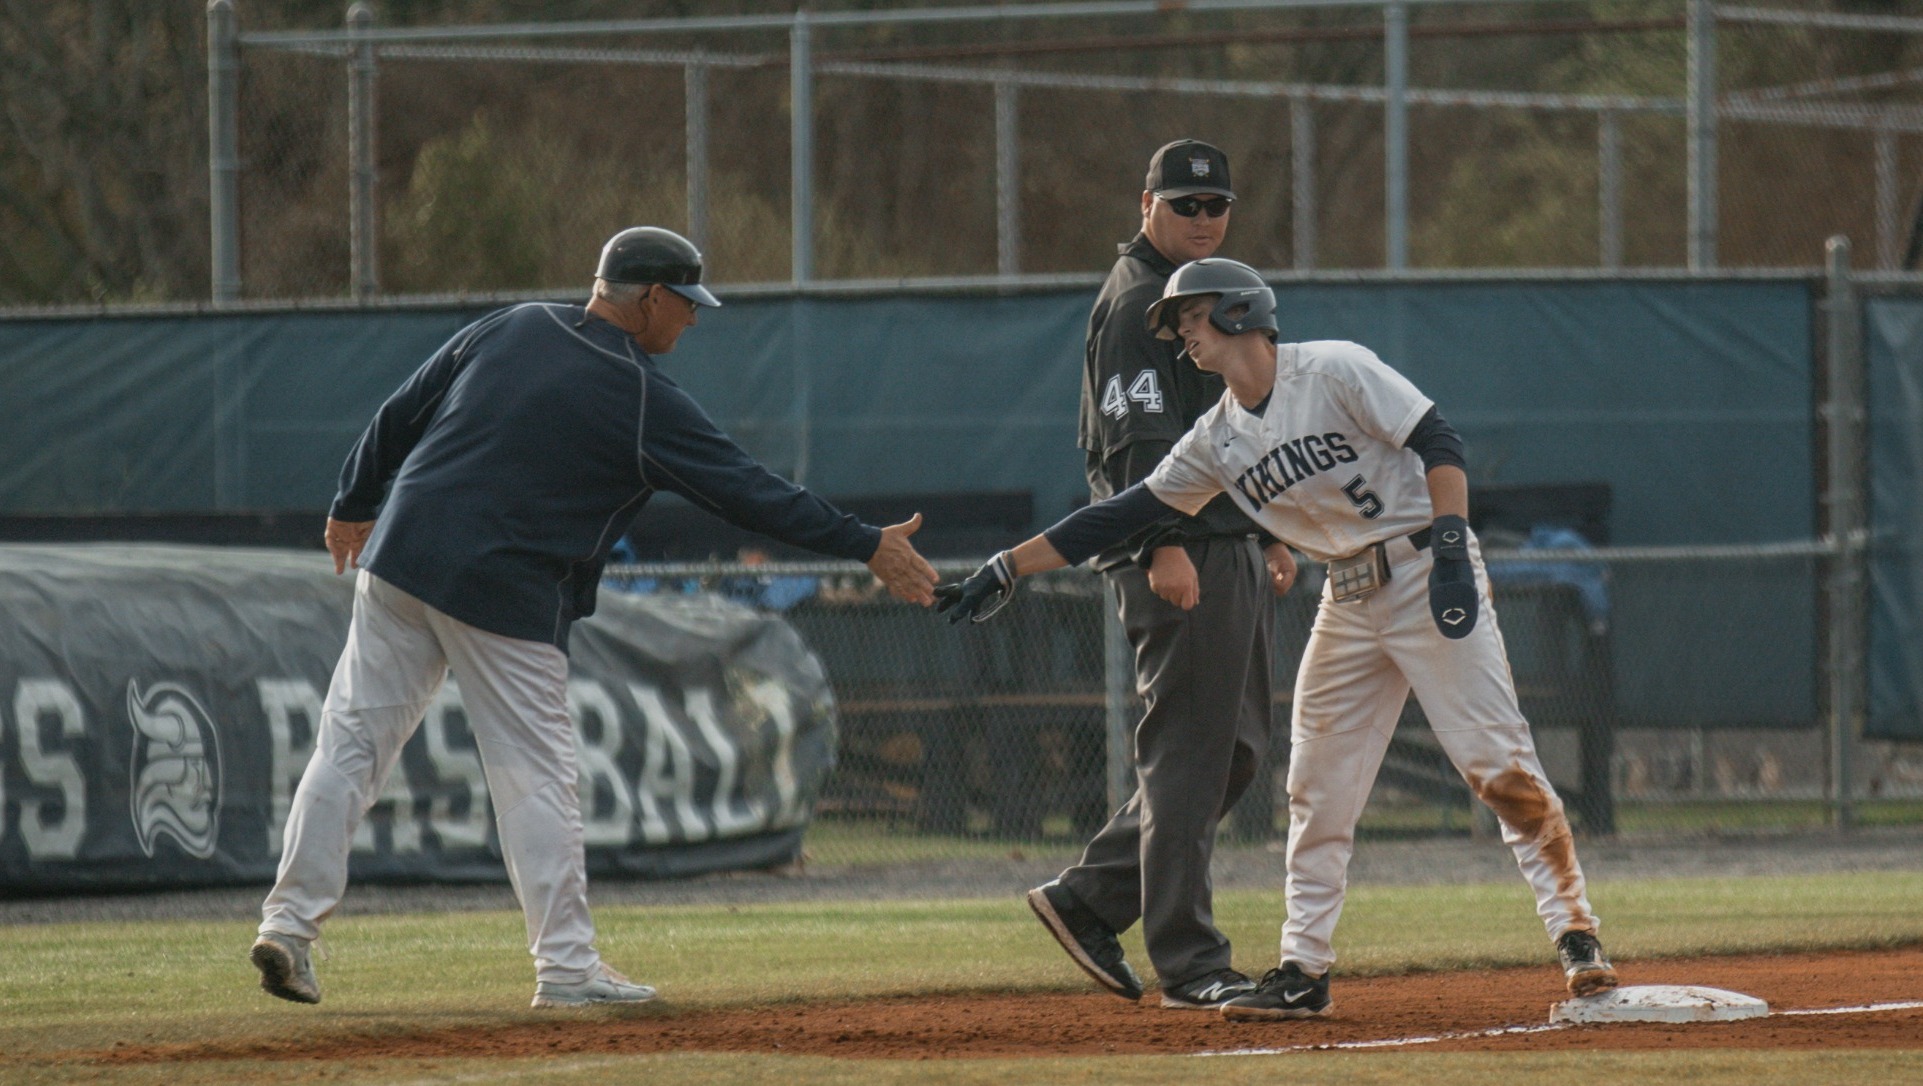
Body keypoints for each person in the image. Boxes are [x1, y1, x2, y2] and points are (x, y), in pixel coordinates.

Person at [251, 226, 938, 1010]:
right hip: (504, 594)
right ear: (648, 296)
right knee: (535, 779)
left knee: (348, 747)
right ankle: (568, 970)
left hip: (401, 562)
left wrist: (351, 504)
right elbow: (751, 492)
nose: (693, 318)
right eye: (685, 302)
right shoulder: (640, 396)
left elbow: (400, 412)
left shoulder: (516, 324)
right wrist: (862, 544)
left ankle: (288, 925)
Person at [938, 257, 1618, 1021]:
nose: (1179, 336)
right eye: (1173, 326)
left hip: (1423, 568)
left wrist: (1455, 546)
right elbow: (1120, 514)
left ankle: (1575, 935)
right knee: (1316, 787)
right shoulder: (1217, 437)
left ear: (1235, 312)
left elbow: (1436, 438)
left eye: (1187, 319)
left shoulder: (1331, 369)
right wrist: (1008, 565)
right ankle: (1302, 969)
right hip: (1349, 595)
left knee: (1495, 763)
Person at [1023, 139, 1290, 1012]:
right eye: (1184, 206)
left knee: (1235, 752)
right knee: (1190, 754)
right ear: (1145, 206)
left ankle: (1089, 900)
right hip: (1182, 553)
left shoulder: (1197, 292)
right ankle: (1190, 960)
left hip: (1226, 543)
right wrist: (1155, 546)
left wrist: (1267, 529)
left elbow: (1224, 437)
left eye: (1215, 207)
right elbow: (1136, 444)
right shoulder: (1142, 298)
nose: (1203, 220)